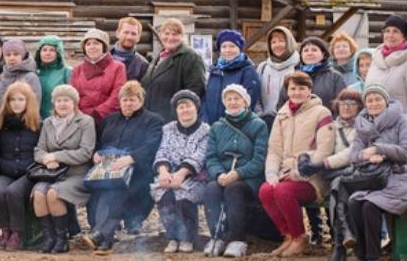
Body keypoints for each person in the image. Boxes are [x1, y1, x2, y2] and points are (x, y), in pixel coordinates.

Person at [81, 81, 164, 254]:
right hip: (107, 170)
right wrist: (96, 153)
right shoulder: (110, 119)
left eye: (133, 100)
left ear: (141, 101)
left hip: (138, 172)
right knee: (103, 192)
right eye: (125, 100)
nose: (128, 103)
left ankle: (102, 235)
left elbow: (151, 145)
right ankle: (103, 237)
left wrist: (131, 158)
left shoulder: (153, 120)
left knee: (115, 191)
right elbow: (99, 141)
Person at [260, 71, 335, 257]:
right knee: (266, 190)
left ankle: (300, 237)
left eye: (302, 88)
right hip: (285, 174)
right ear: (287, 91)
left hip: (313, 177)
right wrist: (271, 173)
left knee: (283, 191)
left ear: (309, 90)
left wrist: (298, 172)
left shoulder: (321, 112)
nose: (297, 92)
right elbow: (274, 149)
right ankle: (290, 236)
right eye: (293, 88)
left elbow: (324, 151)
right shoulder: (282, 114)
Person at [345, 83, 407, 261]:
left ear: (386, 101)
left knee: (369, 206)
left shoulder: (402, 120)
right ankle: (362, 254)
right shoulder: (363, 124)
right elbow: (354, 155)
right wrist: (367, 156)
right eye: (369, 100)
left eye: (378, 99)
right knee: (354, 203)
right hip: (376, 180)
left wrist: (379, 149)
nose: (373, 103)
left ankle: (373, 256)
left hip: (404, 177)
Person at [202, 83, 269, 258]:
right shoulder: (217, 127)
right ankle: (217, 237)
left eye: (237, 99)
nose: (233, 102)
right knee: (210, 189)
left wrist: (238, 174)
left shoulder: (258, 125)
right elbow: (211, 157)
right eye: (229, 99)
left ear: (245, 102)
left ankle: (237, 239)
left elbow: (259, 160)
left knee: (234, 189)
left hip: (249, 178)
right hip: (223, 175)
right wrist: (219, 174)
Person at [31, 85, 95, 254]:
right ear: (54, 103)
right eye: (59, 100)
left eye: (66, 100)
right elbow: (39, 149)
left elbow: (86, 152)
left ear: (74, 103)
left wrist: (57, 156)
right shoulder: (47, 123)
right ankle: (49, 237)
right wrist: (46, 159)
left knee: (53, 193)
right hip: (51, 173)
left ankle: (62, 239)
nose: (62, 104)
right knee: (38, 193)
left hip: (77, 173)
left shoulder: (86, 122)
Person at [150, 90, 210, 254]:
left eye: (188, 106)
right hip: (169, 173)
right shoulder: (168, 129)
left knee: (184, 196)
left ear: (196, 108)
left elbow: (200, 156)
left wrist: (181, 174)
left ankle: (187, 238)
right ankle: (172, 237)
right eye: (181, 107)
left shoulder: (206, 130)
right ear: (176, 111)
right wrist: (163, 172)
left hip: (195, 177)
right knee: (164, 194)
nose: (185, 110)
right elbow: (162, 151)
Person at [0, 81, 42, 251]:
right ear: (7, 102)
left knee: (13, 192)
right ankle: (5, 231)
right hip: (8, 170)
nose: (17, 103)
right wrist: (5, 166)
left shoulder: (38, 126)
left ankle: (18, 234)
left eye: (21, 99)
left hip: (30, 173)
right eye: (13, 100)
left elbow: (41, 152)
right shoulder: (0, 126)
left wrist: (26, 167)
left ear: (28, 102)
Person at [366, 14, 407, 150]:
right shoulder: (376, 59)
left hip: (402, 136)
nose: (390, 35)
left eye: (396, 31)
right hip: (376, 134)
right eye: (387, 31)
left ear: (404, 36)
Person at [315, 87, 362, 261]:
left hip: (356, 174)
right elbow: (321, 149)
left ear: (359, 107)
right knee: (337, 184)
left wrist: (326, 163)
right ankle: (345, 236)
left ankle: (339, 245)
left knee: (338, 185)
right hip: (334, 174)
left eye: (352, 103)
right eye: (343, 103)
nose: (347, 107)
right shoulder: (330, 127)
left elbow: (353, 153)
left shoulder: (363, 126)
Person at [140, 19, 206, 121]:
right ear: (161, 35)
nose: (170, 38)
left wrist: (179, 116)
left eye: (175, 34)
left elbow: (195, 91)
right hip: (151, 118)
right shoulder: (160, 56)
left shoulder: (191, 57)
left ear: (182, 36)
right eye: (166, 33)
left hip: (172, 121)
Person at [203, 29, 261, 125]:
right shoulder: (213, 71)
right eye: (224, 46)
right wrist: (204, 121)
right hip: (211, 128)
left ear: (239, 49)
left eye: (232, 46)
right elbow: (204, 99)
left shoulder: (248, 71)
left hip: (235, 128)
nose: (228, 50)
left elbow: (249, 103)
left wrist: (233, 126)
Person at [70, 28, 126, 127]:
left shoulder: (118, 67)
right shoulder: (77, 70)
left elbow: (117, 94)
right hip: (81, 122)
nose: (92, 47)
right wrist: (80, 116)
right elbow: (73, 96)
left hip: (108, 120)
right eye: (88, 44)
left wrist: (97, 114)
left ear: (104, 46)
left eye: (96, 43)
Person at [286, 36, 346, 111]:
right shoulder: (292, 78)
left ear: (323, 54)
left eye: (314, 50)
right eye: (306, 50)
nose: (309, 53)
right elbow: (282, 105)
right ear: (301, 55)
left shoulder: (335, 77)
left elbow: (342, 104)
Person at [257, 25, 299, 128]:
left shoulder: (298, 66)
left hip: (292, 121)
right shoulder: (263, 67)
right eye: (273, 42)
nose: (277, 45)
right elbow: (255, 93)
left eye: (281, 41)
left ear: (289, 42)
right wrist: (259, 114)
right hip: (266, 121)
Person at [0, 38, 41, 104]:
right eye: (8, 55)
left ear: (23, 56)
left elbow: (34, 104)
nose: (12, 58)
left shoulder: (31, 78)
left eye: (16, 54)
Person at [34, 35, 70, 119]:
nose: (47, 53)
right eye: (44, 50)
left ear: (58, 53)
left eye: (52, 50)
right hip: (36, 120)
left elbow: (72, 98)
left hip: (58, 119)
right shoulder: (34, 72)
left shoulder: (66, 72)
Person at [110, 17, 150, 82]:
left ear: (138, 38)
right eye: (126, 32)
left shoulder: (143, 65)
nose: (129, 37)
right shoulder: (104, 59)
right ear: (117, 33)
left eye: (133, 34)